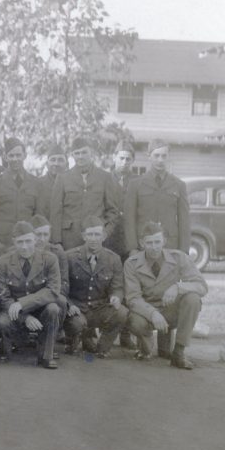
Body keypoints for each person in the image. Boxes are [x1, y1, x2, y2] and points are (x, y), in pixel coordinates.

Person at [123, 221, 207, 369]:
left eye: (157, 242)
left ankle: (179, 352)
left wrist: (178, 287)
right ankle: (145, 344)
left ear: (164, 241)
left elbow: (201, 286)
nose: (154, 247)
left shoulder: (178, 257)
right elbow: (133, 298)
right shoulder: (131, 263)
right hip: (146, 313)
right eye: (149, 242)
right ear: (142, 243)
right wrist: (153, 313)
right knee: (135, 322)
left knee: (193, 299)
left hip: (169, 309)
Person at [0, 220, 63, 369]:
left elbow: (53, 290)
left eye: (28, 241)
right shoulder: (2, 263)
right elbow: (4, 297)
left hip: (39, 308)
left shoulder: (50, 259)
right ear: (14, 242)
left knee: (53, 309)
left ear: (35, 240)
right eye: (20, 242)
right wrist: (25, 317)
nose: (24, 246)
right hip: (13, 310)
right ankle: (7, 348)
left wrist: (23, 303)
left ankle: (46, 355)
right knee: (1, 322)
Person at [63, 215, 129, 358]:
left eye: (97, 234)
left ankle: (102, 348)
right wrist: (69, 305)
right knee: (77, 324)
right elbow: (61, 289)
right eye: (90, 234)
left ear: (104, 236)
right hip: (77, 309)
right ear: (83, 236)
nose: (93, 238)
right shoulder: (69, 257)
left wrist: (116, 297)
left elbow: (117, 287)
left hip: (98, 308)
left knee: (121, 312)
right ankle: (74, 339)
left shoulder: (113, 259)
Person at [49, 135, 119, 250]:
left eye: (84, 152)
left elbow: (113, 211)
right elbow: (55, 213)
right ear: (72, 155)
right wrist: (57, 241)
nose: (80, 156)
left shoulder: (105, 177)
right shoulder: (62, 178)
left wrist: (105, 233)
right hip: (69, 241)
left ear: (91, 153)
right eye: (76, 153)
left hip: (97, 239)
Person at [124, 139, 190, 253]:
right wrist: (132, 248)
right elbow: (129, 219)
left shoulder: (179, 185)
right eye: (156, 155)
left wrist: (184, 251)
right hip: (144, 245)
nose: (160, 160)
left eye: (164, 156)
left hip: (170, 246)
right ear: (149, 156)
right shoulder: (135, 185)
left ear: (169, 157)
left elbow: (184, 221)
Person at [0, 137, 46, 245]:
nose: (15, 159)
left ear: (24, 155)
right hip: (0, 241)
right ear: (5, 157)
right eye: (11, 156)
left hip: (27, 240)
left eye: (18, 155)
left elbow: (39, 216)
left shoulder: (36, 183)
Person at [106, 139, 138, 258]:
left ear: (133, 160)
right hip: (108, 239)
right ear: (114, 157)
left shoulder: (138, 181)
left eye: (128, 159)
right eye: (121, 158)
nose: (124, 162)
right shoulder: (104, 179)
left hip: (130, 240)